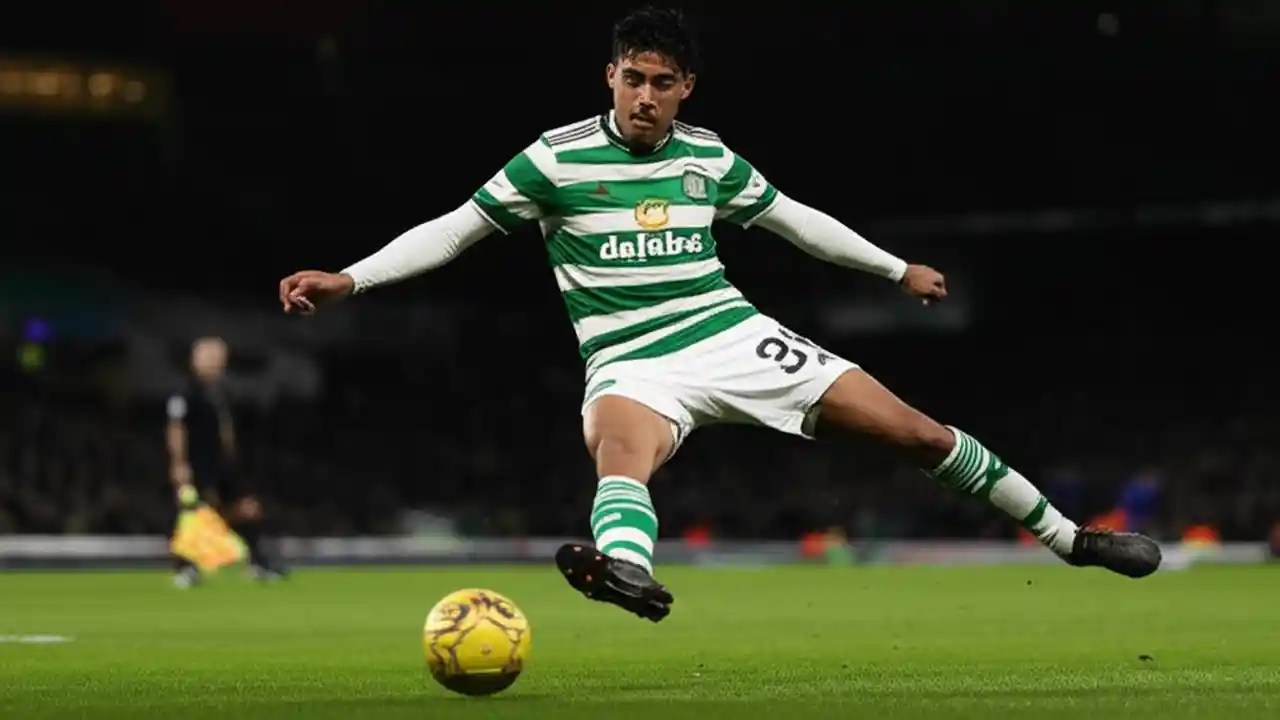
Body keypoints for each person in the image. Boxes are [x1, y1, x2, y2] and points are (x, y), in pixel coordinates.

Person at [277, 6, 1160, 621]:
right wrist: (350, 278)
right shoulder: (554, 161)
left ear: (687, 85)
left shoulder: (707, 158)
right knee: (623, 450)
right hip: (629, 356)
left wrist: (897, 269)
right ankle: (628, 571)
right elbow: (457, 230)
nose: (645, 96)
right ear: (610, 77)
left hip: (734, 335)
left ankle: (1070, 538)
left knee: (920, 435)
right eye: (632, 79)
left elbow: (795, 220)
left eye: (662, 82)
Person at [166, 336, 285, 587]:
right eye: (210, 358)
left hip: (222, 466)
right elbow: (176, 430)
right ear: (194, 361)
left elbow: (226, 430)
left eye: (219, 359)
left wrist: (231, 458)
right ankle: (187, 568)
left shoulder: (220, 394)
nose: (215, 364)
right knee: (194, 516)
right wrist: (179, 464)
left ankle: (257, 562)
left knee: (247, 508)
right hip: (198, 465)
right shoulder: (185, 394)